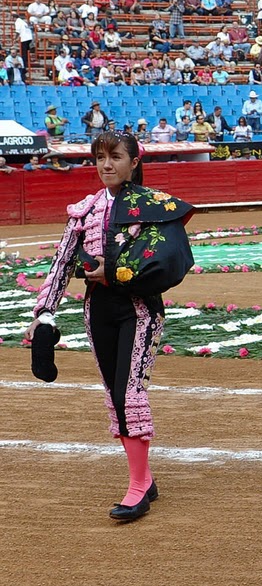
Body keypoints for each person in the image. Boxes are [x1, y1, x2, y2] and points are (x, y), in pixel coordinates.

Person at [24, 131, 195, 522]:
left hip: (139, 310)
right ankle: (144, 477)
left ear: (134, 161)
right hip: (97, 310)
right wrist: (45, 315)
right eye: (100, 157)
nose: (106, 165)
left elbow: (170, 262)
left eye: (115, 156)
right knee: (114, 396)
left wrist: (116, 275)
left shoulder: (152, 206)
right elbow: (62, 264)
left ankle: (138, 488)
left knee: (128, 394)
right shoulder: (84, 210)